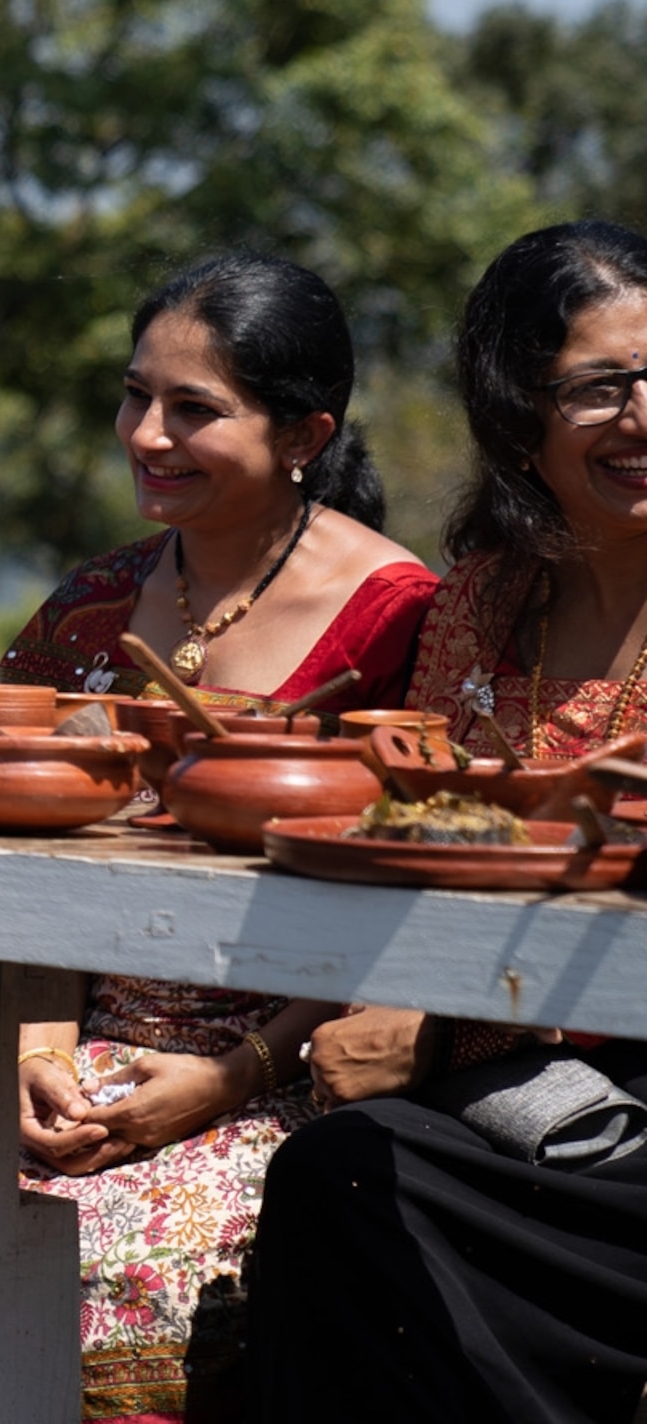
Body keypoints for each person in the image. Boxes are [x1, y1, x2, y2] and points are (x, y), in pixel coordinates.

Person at [0, 251, 436, 1422]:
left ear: (305, 432)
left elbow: (416, 904)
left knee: (77, 1271)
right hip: (71, 1060)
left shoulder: (400, 619)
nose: (147, 432)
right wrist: (40, 1045)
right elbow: (9, 854)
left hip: (288, 1075)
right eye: (136, 395)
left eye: (195, 408)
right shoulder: (88, 605)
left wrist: (229, 1075)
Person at [240, 221, 647, 1424]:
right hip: (503, 1082)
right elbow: (419, 836)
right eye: (601, 387)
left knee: (354, 1183)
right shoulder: (482, 595)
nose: (642, 416)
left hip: (624, 1085)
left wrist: (428, 1020)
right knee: (337, 1178)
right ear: (516, 410)